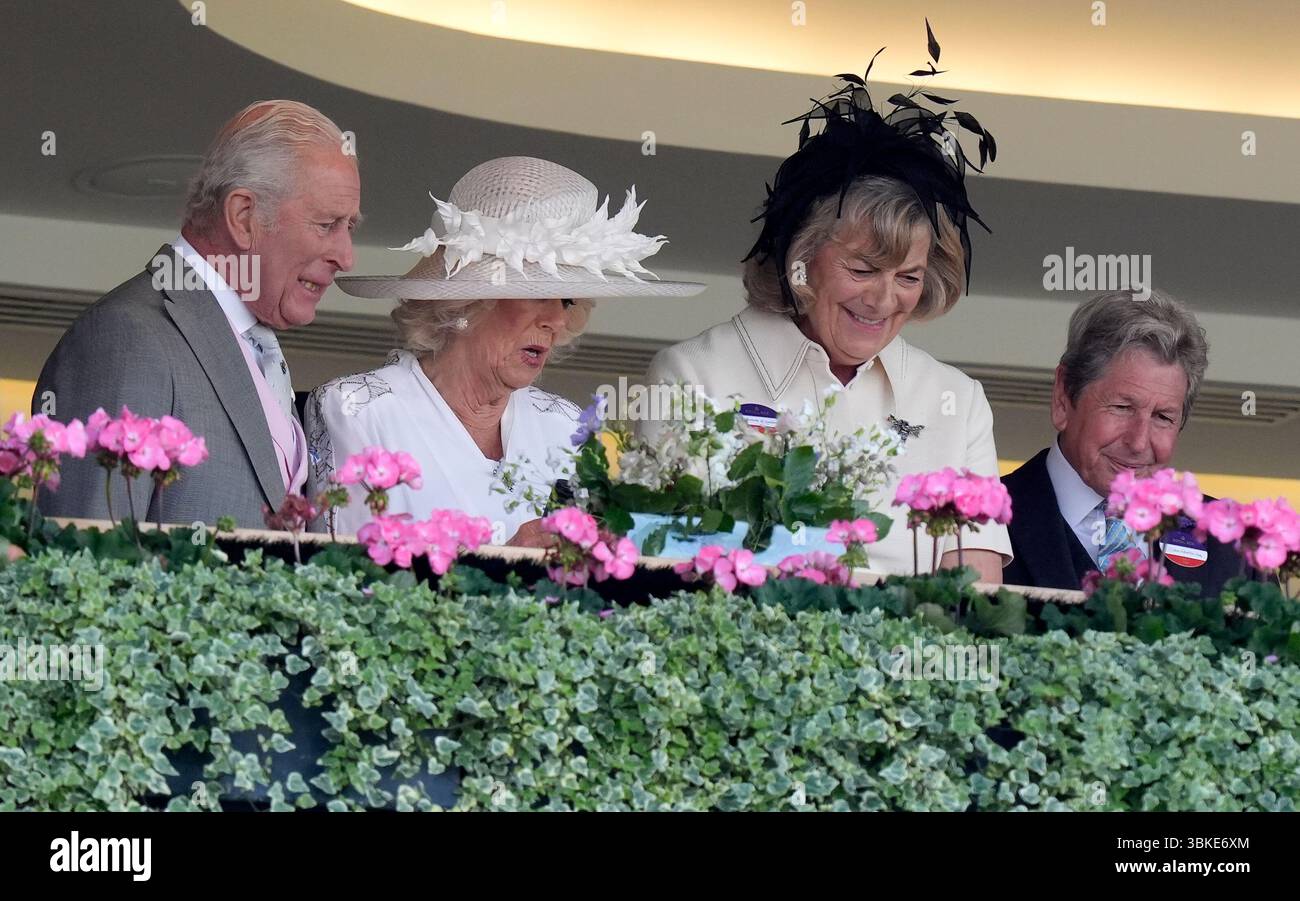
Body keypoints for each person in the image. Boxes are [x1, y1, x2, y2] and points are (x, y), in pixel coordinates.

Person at [643, 45, 1010, 581]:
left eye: (907, 277)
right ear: (801, 259)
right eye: (862, 270)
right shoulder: (692, 376)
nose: (884, 301)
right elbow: (669, 568)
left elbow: (973, 589)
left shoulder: (957, 401)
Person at [308, 156, 703, 543]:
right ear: (464, 303)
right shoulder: (358, 409)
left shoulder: (566, 427)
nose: (557, 321)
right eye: (537, 295)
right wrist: (505, 562)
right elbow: (345, 586)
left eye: (566, 300)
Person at [34, 99, 359, 527]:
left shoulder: (253, 343)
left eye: (350, 227)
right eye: (326, 224)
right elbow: (83, 563)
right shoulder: (127, 337)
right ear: (244, 217)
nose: (345, 256)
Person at [1002, 289, 1244, 594]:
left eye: (1163, 417)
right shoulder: (975, 525)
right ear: (1063, 396)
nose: (1139, 442)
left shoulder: (1230, 541)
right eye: (1122, 407)